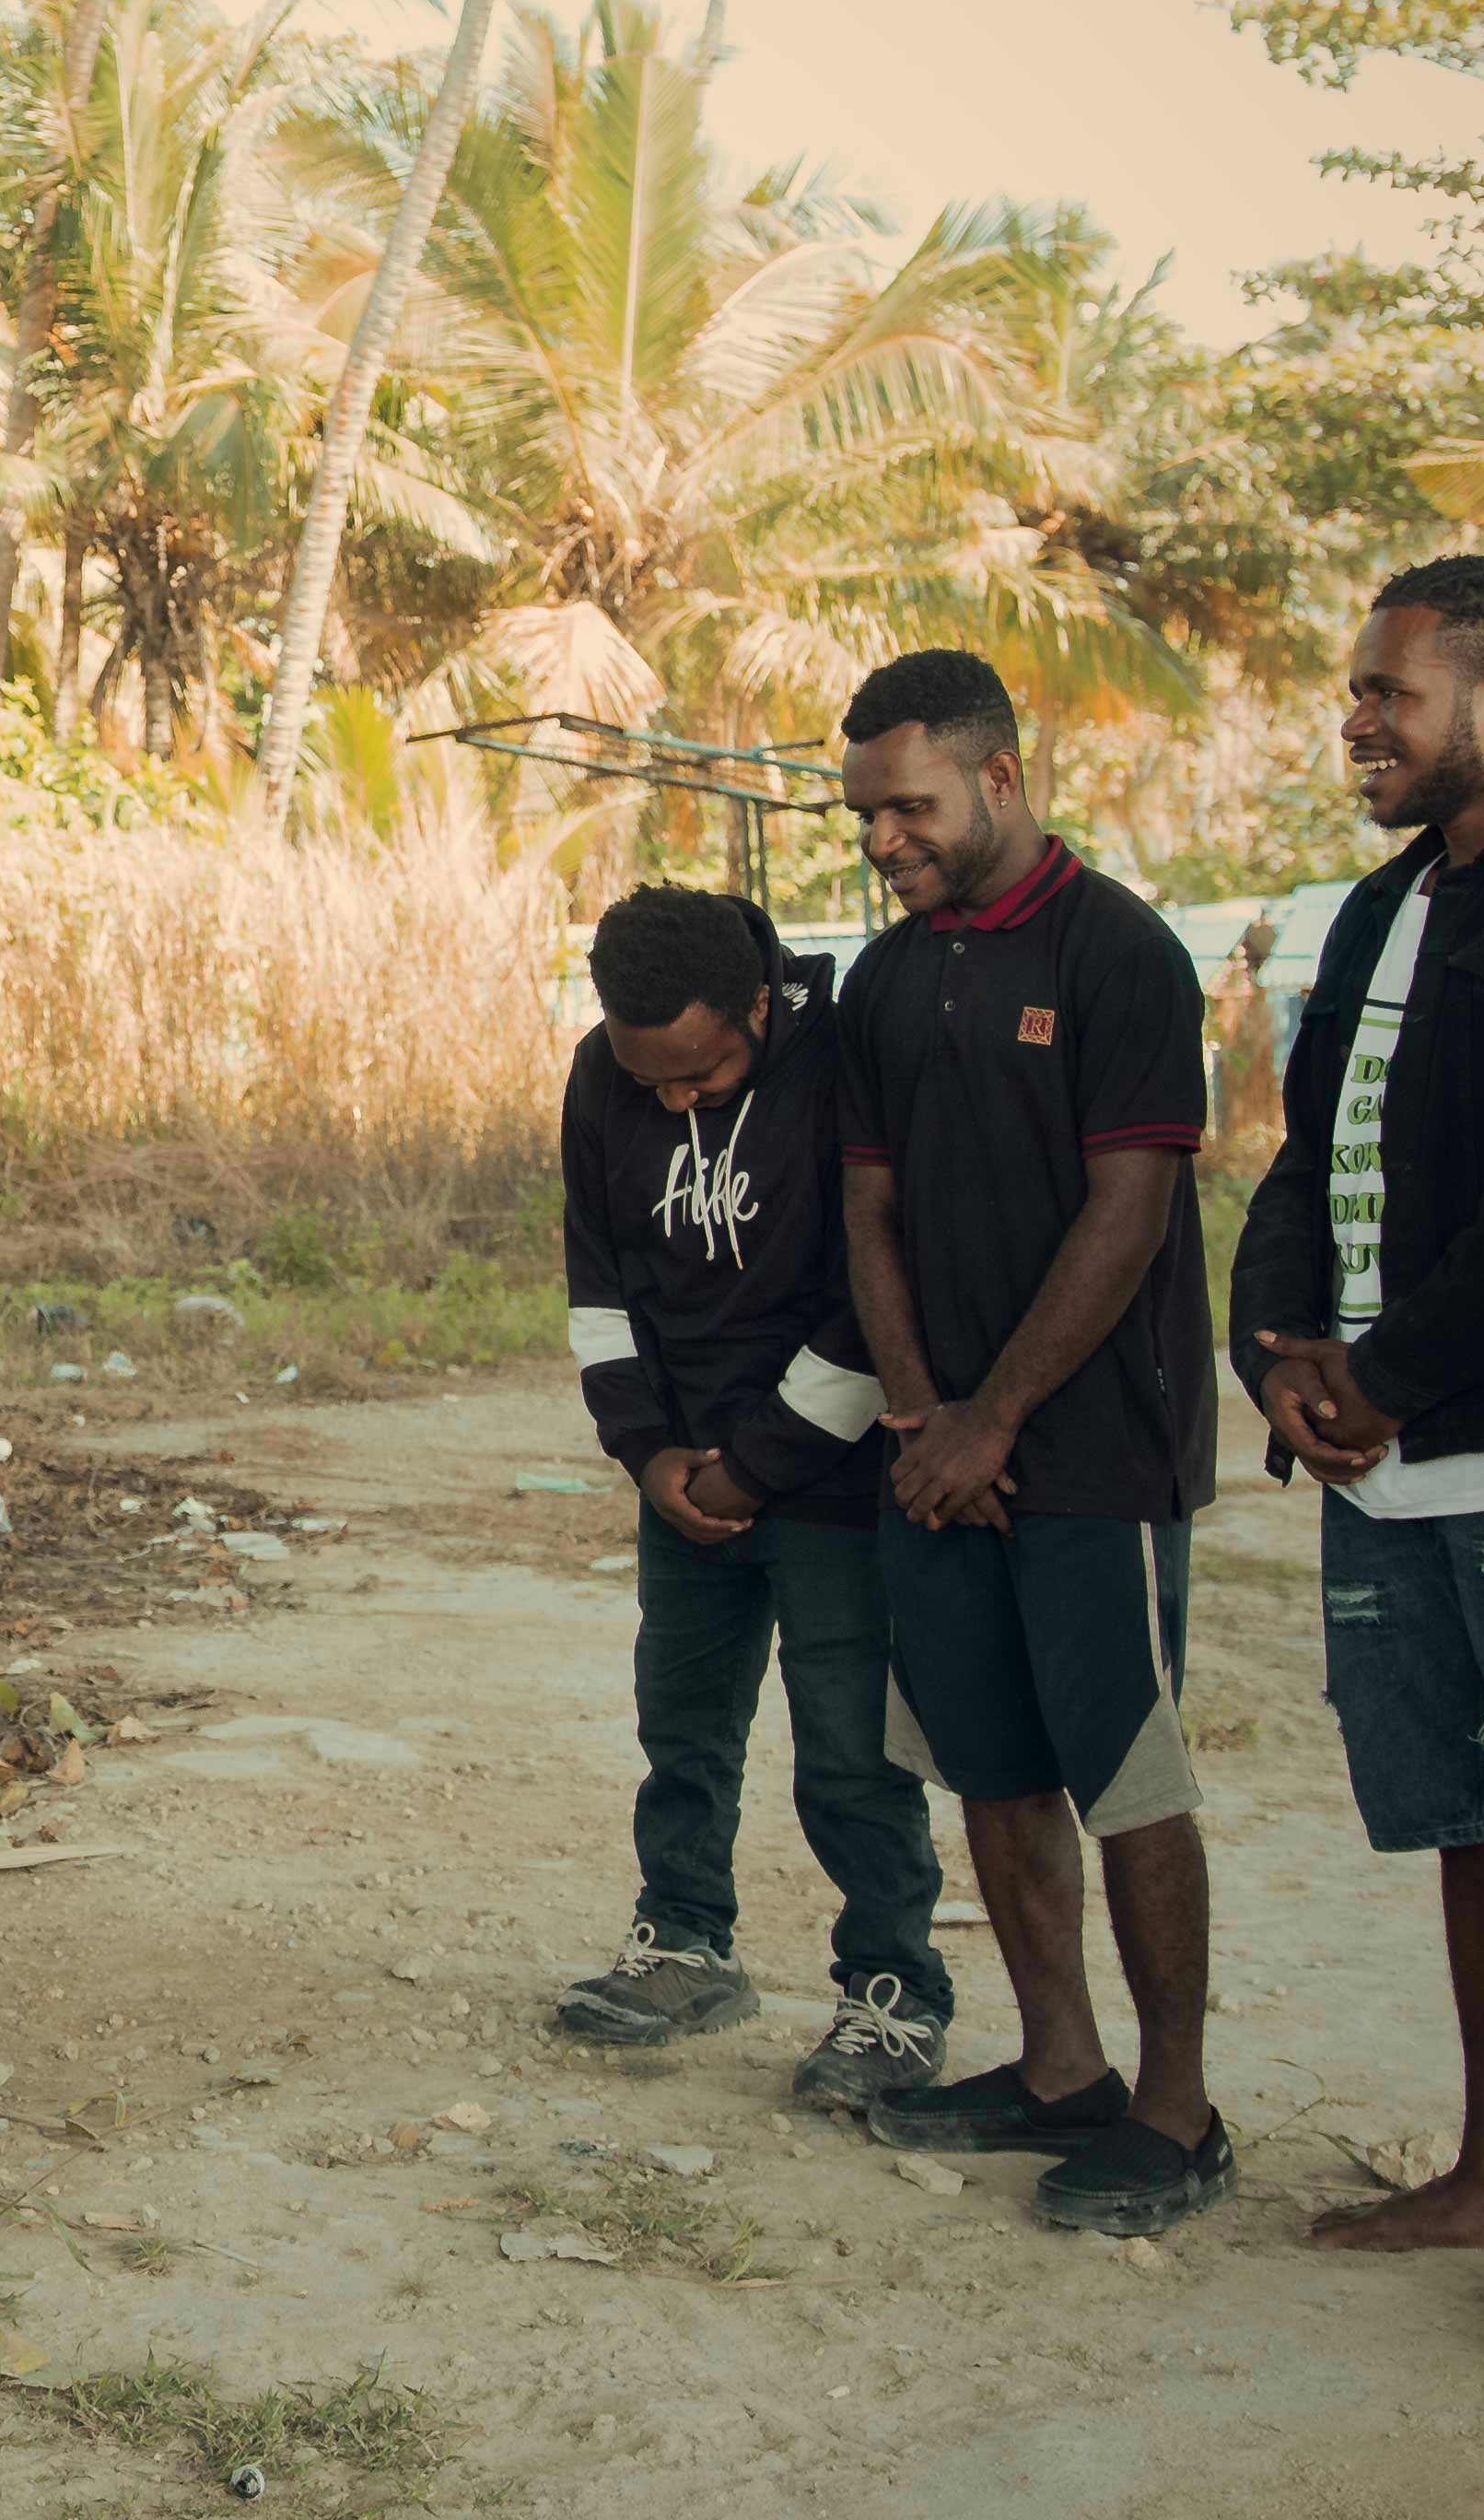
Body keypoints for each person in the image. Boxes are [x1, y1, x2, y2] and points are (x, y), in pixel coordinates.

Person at [1227, 556, 1484, 2259]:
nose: (1355, 720)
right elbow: (1310, 1159)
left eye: (1389, 692)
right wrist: (1277, 1351)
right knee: (1468, 1812)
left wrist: (1380, 1378)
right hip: (1380, 1459)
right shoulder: (1379, 906)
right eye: (1358, 690)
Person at [830, 648, 1235, 2237]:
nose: (882, 842)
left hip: (1096, 1455)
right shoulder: (884, 975)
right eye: (863, 814)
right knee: (990, 1771)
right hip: (939, 1453)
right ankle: (1058, 2069)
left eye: (909, 807)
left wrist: (998, 1419)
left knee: (1126, 1779)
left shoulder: (1121, 951)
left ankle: (1177, 2108)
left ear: (1001, 777)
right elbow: (868, 1207)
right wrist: (926, 1417)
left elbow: (1131, 1212)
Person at [551, 884, 951, 2109]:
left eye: (701, 1078)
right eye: (649, 1082)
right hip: (682, 1471)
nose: (673, 1102)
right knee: (681, 1721)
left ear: (755, 1011)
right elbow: (599, 1282)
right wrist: (649, 1455)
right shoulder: (602, 1073)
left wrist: (758, 1460)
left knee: (848, 1750)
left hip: (830, 1474)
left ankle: (892, 1992)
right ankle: (685, 1941)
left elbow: (877, 1288)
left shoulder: (842, 1047)